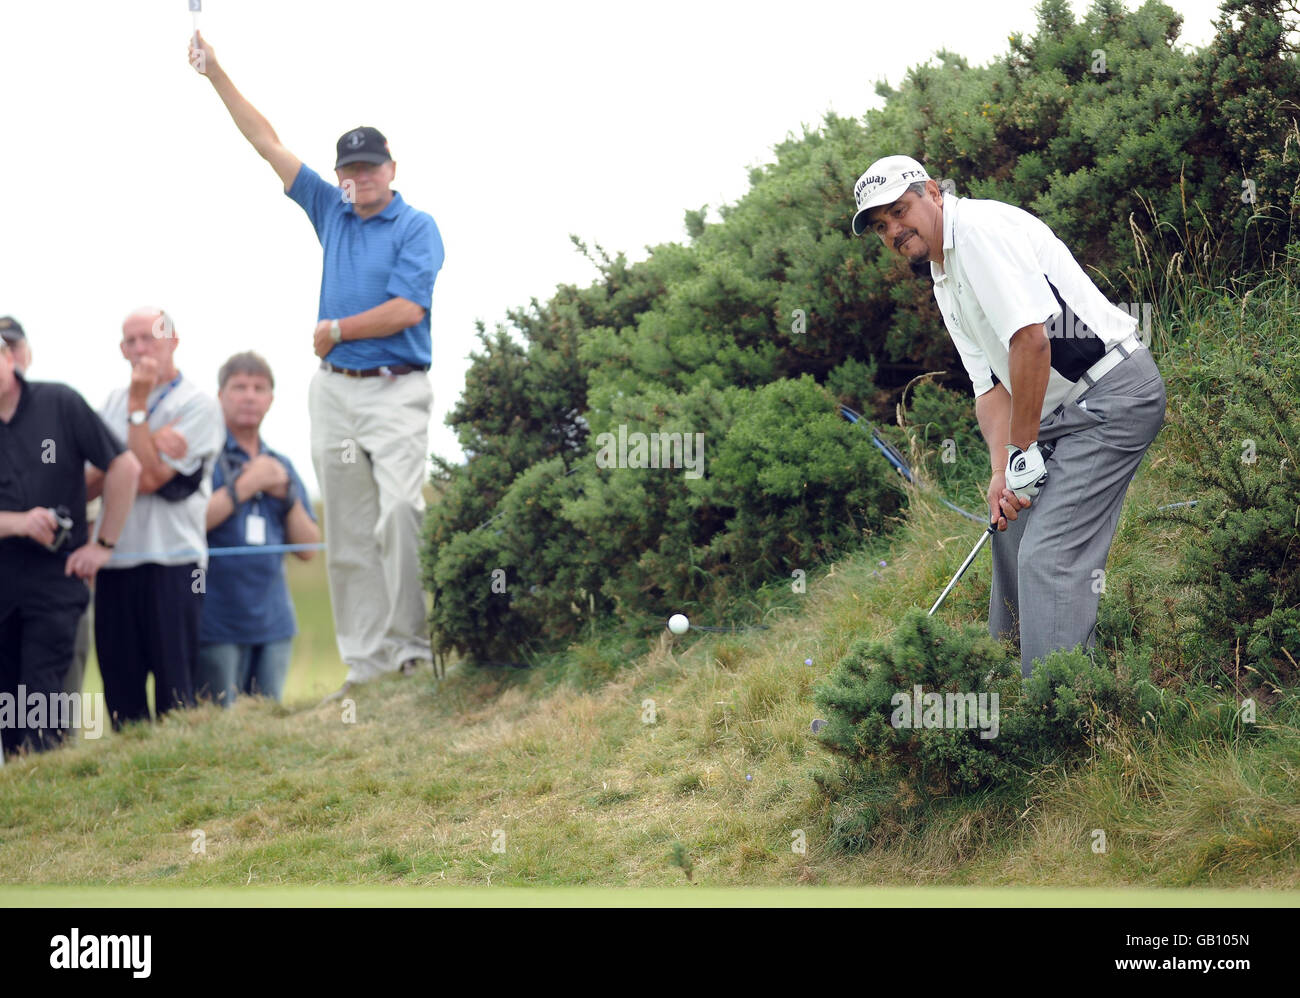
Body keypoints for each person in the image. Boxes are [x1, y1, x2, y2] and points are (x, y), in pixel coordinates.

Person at [190, 32, 445, 699]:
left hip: (397, 391)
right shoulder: (330, 208)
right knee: (350, 534)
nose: (359, 179)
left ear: (392, 168)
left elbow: (407, 311)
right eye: (349, 170)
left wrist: (335, 329)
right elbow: (265, 140)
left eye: (370, 168)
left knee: (400, 514)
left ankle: (414, 652)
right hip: (333, 394)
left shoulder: (417, 227)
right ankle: (367, 667)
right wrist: (216, 71)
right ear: (340, 176)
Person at [851, 156, 1166, 678]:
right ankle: (1010, 668)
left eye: (900, 212)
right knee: (1008, 525)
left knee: (1049, 556)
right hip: (1061, 410)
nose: (894, 230)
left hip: (1113, 396)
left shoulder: (978, 234)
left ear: (931, 192)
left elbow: (1031, 341)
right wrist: (1004, 474)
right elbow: (989, 388)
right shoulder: (941, 272)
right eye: (881, 226)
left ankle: (1060, 707)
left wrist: (1022, 451)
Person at [0, 333, 140, 755]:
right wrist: (19, 522)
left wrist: (104, 545)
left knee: (43, 709)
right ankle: (23, 806)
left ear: (10, 356)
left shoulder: (59, 402)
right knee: (9, 712)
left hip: (57, 582)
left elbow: (124, 466)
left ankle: (48, 803)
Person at [89, 308, 223, 728]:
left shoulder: (198, 405)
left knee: (174, 691)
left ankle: (176, 780)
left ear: (174, 340)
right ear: (121, 349)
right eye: (132, 341)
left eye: (150, 337)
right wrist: (142, 442)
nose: (141, 349)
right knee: (121, 691)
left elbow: (145, 479)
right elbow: (93, 479)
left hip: (174, 561)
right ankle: (130, 783)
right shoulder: (108, 402)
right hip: (116, 560)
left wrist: (136, 411)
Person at [198, 352, 320, 705]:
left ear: (271, 399)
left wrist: (286, 494)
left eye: (259, 388)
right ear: (220, 396)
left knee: (267, 727)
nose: (249, 396)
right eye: (239, 387)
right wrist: (248, 485)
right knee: (218, 726)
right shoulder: (205, 458)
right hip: (216, 623)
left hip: (274, 624)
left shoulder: (281, 465)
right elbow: (194, 523)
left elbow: (309, 548)